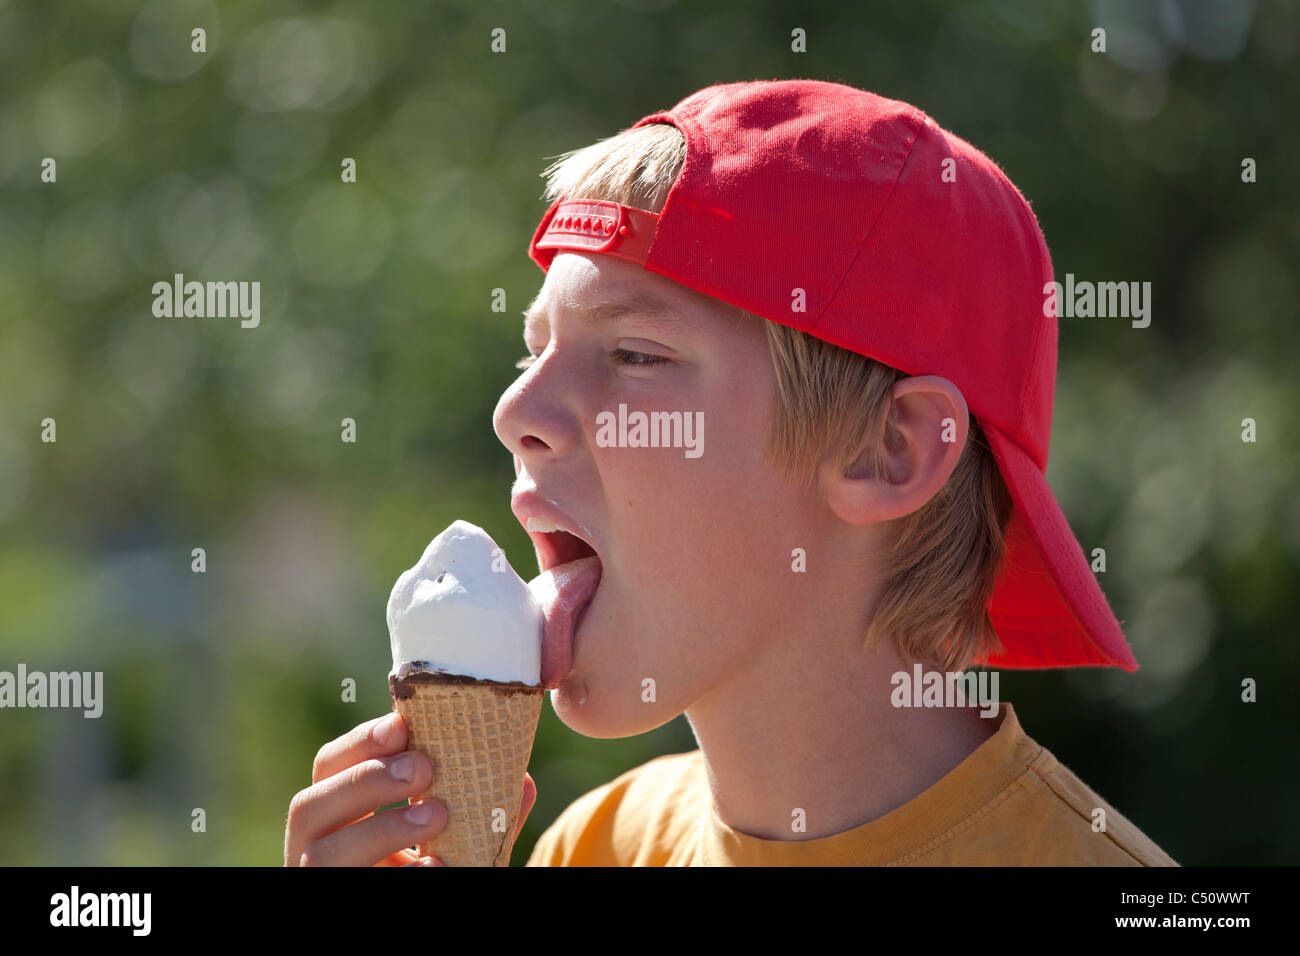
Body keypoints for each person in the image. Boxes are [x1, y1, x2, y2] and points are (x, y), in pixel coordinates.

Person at [284, 80, 1177, 867]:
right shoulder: (593, 847)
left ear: (889, 450)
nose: (513, 416)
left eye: (634, 354)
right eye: (534, 354)